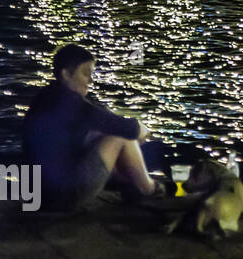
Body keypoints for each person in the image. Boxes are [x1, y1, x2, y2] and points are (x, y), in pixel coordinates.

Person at [24, 44, 164, 211]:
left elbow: (100, 122)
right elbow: (129, 129)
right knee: (119, 136)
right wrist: (142, 129)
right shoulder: (72, 104)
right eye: (85, 74)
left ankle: (129, 185)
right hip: (61, 196)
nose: (90, 81)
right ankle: (148, 188)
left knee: (101, 134)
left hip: (39, 193)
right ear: (66, 74)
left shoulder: (46, 96)